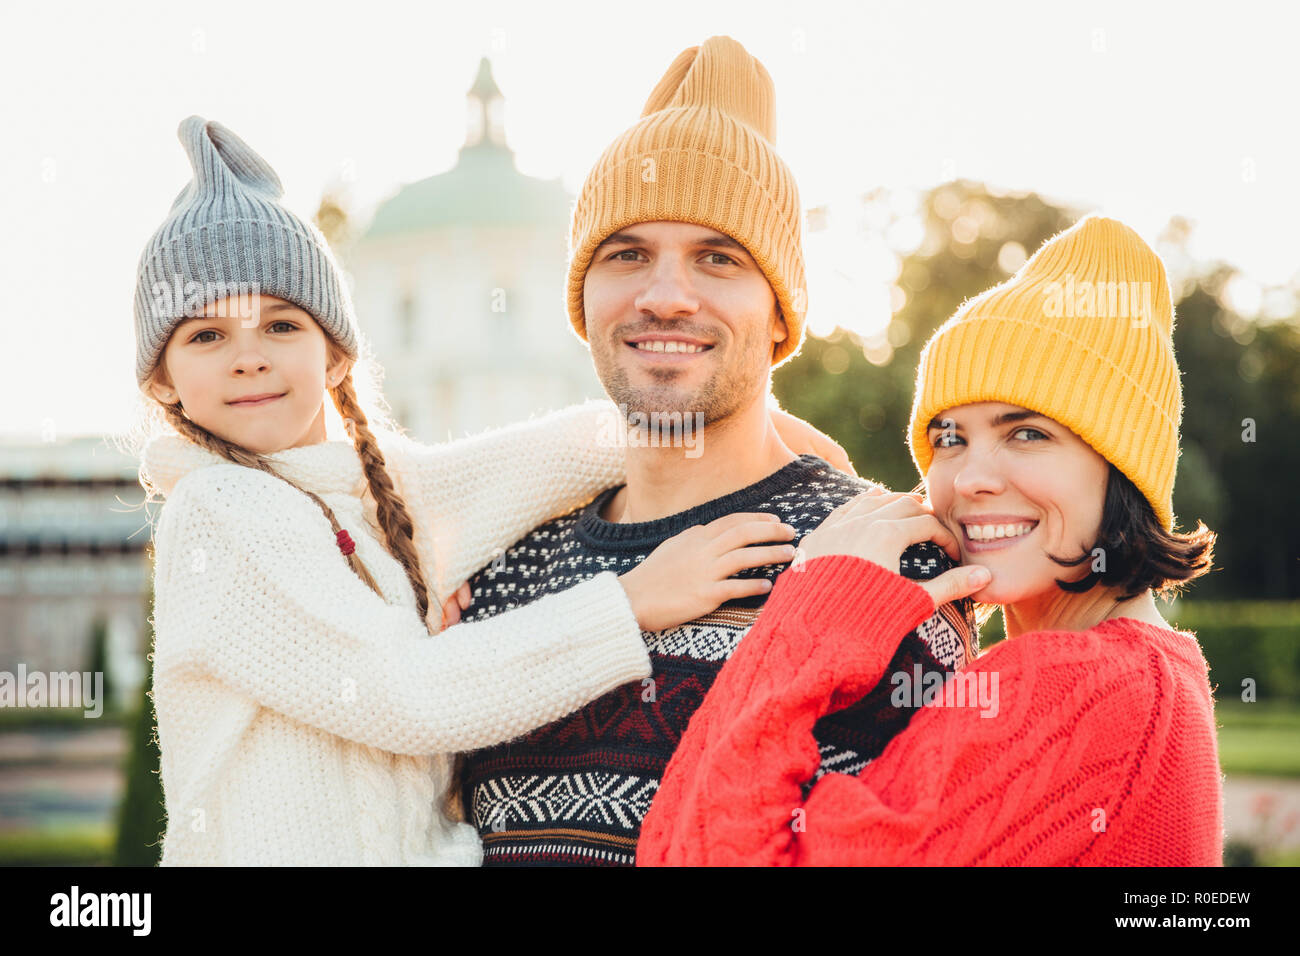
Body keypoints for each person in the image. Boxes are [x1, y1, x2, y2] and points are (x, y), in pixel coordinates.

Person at [133, 116, 824, 865]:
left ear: (333, 353)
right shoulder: (220, 511)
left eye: (281, 326)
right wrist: (633, 601)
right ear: (162, 380)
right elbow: (407, 695)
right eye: (206, 336)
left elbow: (529, 463)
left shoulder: (366, 497)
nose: (248, 360)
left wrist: (778, 444)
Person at [455, 36, 977, 866]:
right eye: (627, 254)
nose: (666, 296)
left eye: (719, 258)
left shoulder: (879, 562)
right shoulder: (501, 571)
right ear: (582, 303)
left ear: (779, 315)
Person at [637, 215, 1223, 866]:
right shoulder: (1152, 676)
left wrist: (814, 608)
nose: (969, 478)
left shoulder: (1084, 690)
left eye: (1027, 434)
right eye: (949, 438)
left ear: (1123, 466)